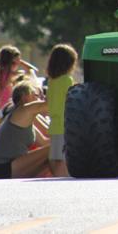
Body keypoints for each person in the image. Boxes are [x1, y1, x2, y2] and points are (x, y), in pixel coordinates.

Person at [0, 80, 52, 179]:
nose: (41, 98)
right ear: (25, 97)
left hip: (11, 166)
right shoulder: (23, 111)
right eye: (37, 95)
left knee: (55, 150)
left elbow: (45, 141)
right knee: (54, 149)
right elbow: (50, 105)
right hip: (2, 167)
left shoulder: (24, 117)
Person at [45, 43, 78, 177]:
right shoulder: (67, 81)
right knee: (63, 160)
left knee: (54, 158)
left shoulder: (51, 81)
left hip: (54, 125)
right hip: (65, 126)